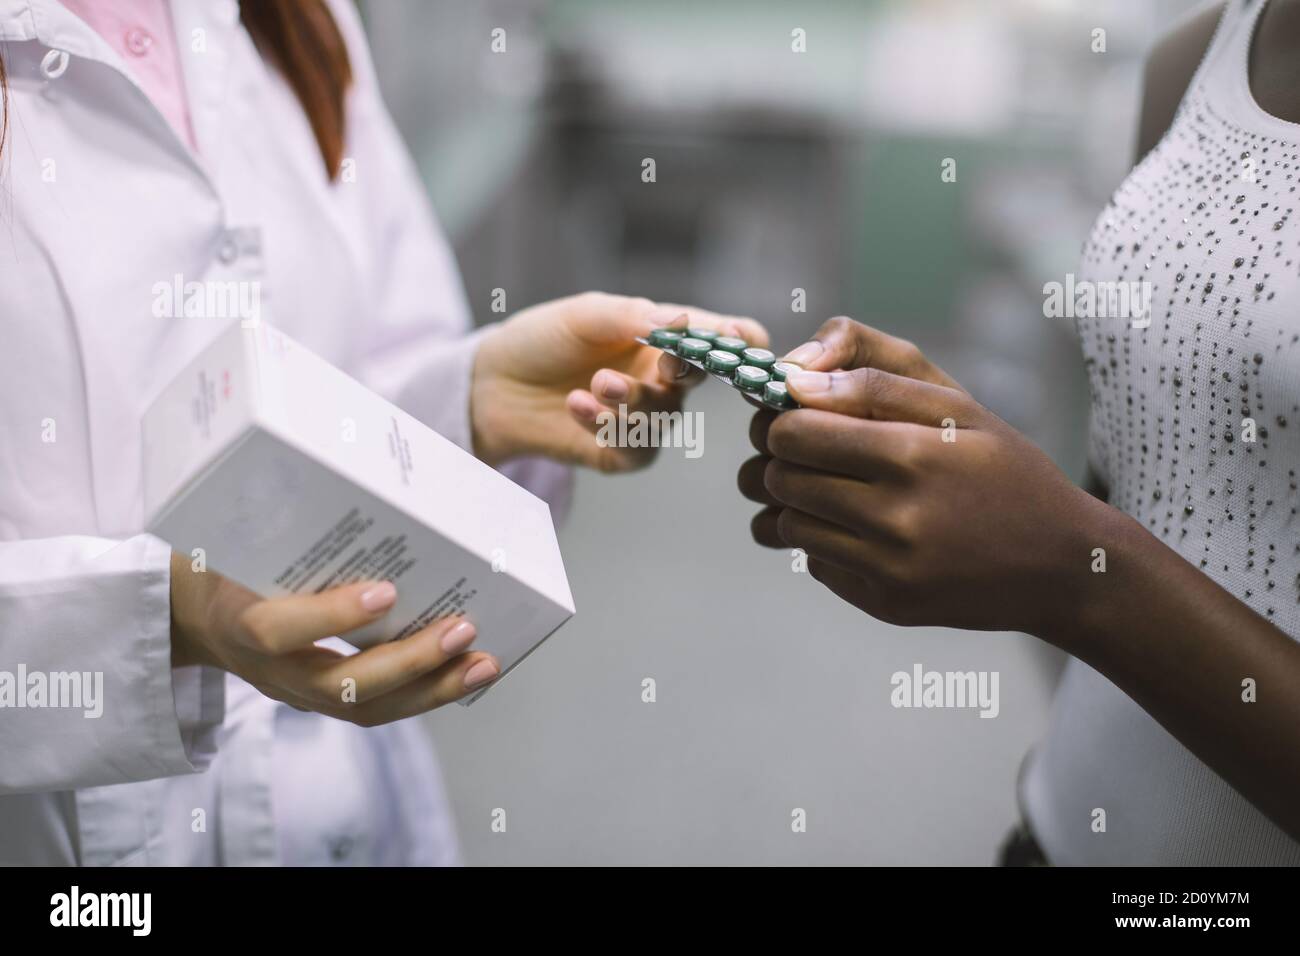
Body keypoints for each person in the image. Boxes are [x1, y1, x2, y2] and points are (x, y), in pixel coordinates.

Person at [0, 0, 765, 865]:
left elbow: (364, 376)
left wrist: (471, 402)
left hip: (342, 811)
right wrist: (165, 616)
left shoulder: (303, 21)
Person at [734, 0, 1300, 865]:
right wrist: (975, 467)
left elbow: (1105, 568)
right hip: (1053, 828)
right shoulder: (1198, 57)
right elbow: (1160, 494)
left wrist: (1078, 574)